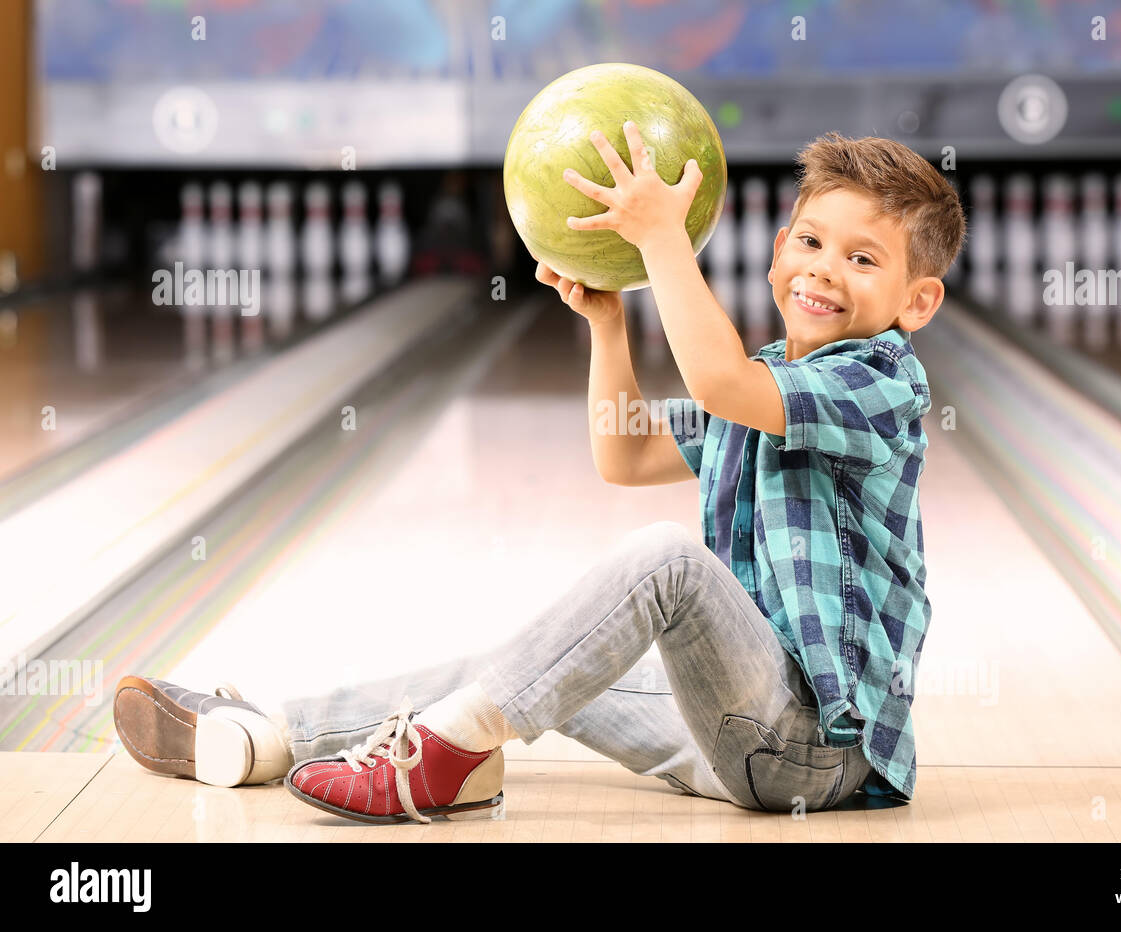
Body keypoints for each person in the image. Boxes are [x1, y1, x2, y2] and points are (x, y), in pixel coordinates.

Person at [112, 128, 966, 824]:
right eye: (812, 242)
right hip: (730, 730)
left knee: (665, 560)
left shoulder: (879, 381)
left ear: (916, 301)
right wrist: (607, 325)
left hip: (815, 752)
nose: (823, 267)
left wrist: (663, 238)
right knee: (533, 662)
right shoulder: (773, 375)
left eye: (863, 260)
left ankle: (438, 760)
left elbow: (718, 382)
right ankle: (267, 736)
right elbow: (624, 453)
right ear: (780, 250)